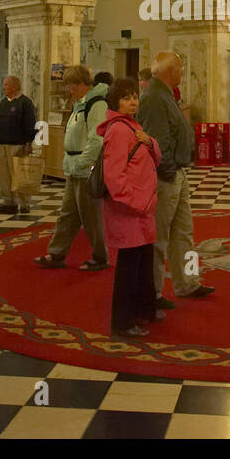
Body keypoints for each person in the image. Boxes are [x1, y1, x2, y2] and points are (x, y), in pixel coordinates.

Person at [138, 50, 213, 307]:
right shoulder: (154, 98)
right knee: (159, 237)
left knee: (183, 233)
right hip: (165, 176)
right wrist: (168, 171)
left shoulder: (165, 94)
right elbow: (158, 141)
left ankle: (187, 283)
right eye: (180, 68)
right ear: (170, 71)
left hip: (176, 174)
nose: (183, 72)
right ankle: (153, 292)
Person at [98, 77, 161, 337]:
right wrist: (135, 202)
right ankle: (123, 322)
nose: (133, 101)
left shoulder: (132, 126)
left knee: (143, 261)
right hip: (130, 210)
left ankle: (143, 309)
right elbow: (114, 177)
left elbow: (156, 158)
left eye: (135, 96)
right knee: (129, 266)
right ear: (115, 102)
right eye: (126, 97)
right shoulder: (118, 130)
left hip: (143, 209)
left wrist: (150, 142)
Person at [36, 66, 110, 271]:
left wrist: (81, 163)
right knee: (67, 214)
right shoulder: (79, 104)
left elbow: (96, 140)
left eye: (71, 85)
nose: (69, 89)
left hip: (85, 169)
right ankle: (57, 253)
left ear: (81, 84)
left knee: (91, 217)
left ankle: (100, 256)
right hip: (73, 168)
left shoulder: (96, 105)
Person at [0, 75, 38, 214]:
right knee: (4, 176)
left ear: (14, 86)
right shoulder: (3, 103)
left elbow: (30, 125)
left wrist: (27, 143)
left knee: (20, 176)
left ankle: (24, 203)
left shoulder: (25, 103)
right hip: (3, 145)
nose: (4, 87)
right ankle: (9, 202)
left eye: (6, 85)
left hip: (18, 146)